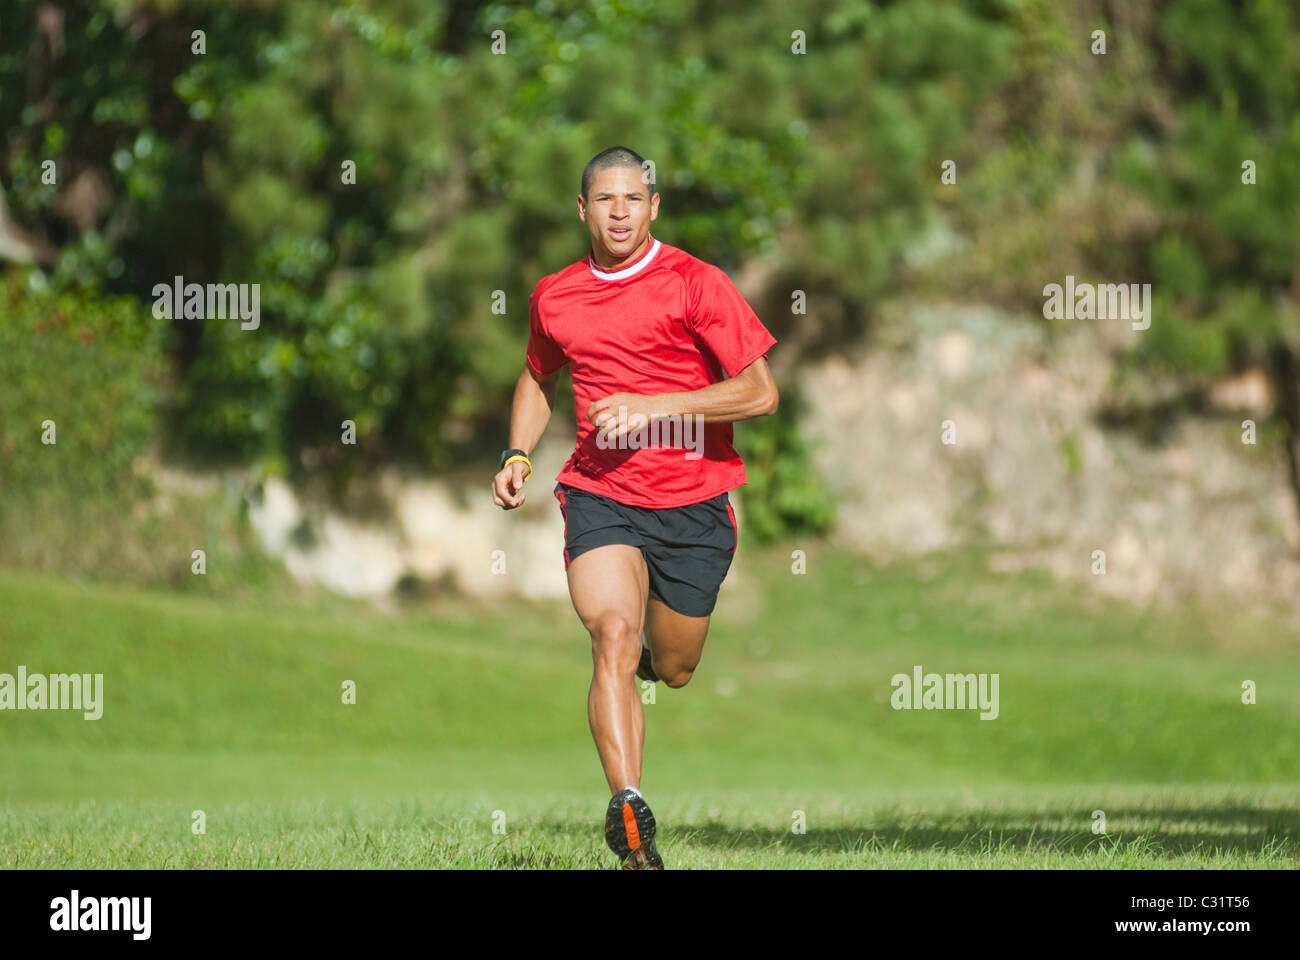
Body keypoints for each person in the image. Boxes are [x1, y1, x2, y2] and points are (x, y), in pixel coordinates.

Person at [492, 146, 779, 869]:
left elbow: (759, 391)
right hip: (600, 493)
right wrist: (518, 453)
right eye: (604, 200)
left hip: (693, 501)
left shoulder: (695, 284)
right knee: (612, 635)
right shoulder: (555, 295)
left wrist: (657, 407)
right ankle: (630, 819)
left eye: (632, 199)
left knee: (673, 667)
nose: (618, 212)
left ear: (652, 207)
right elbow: (537, 372)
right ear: (582, 210)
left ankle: (657, 665)